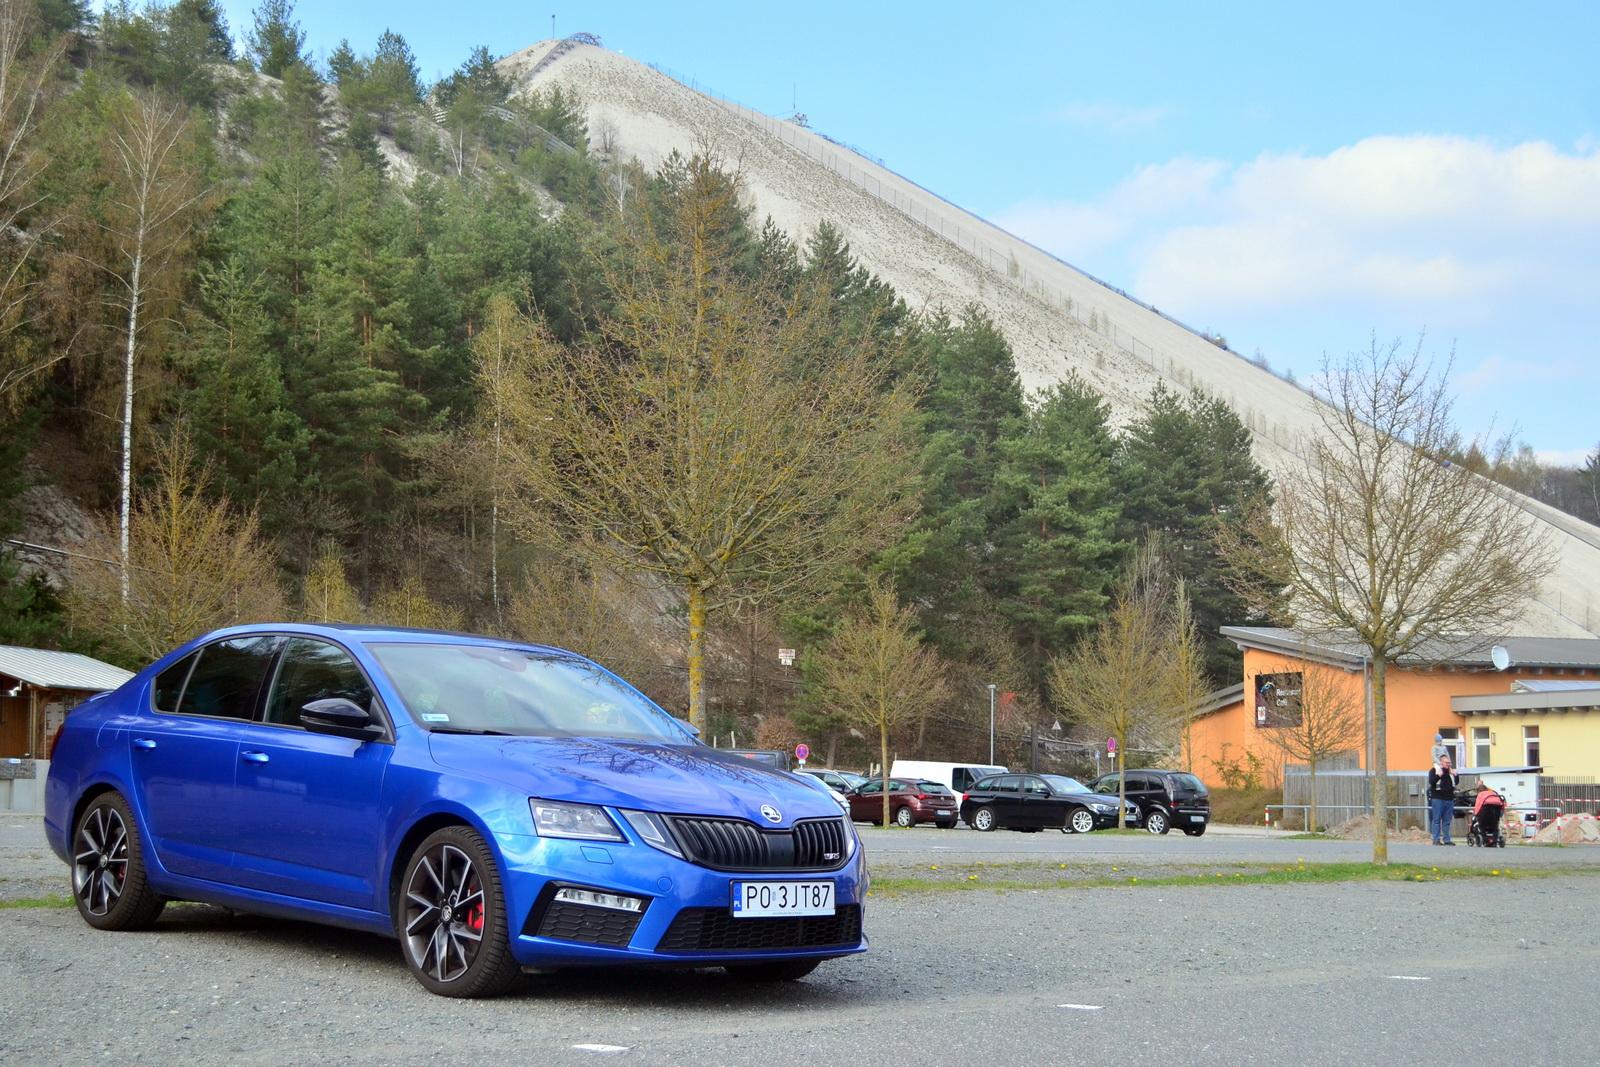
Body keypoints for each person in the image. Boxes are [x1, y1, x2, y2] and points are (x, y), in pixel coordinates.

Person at [1428, 754, 1458, 845]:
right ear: (1441, 762)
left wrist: (1456, 775)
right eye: (1446, 762)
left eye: (1449, 762)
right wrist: (1438, 775)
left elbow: (1456, 783)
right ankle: (1436, 839)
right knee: (1436, 820)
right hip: (1438, 799)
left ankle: (1447, 840)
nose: (1448, 764)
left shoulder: (1450, 772)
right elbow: (1432, 782)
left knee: (1447, 821)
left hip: (1449, 799)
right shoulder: (1434, 770)